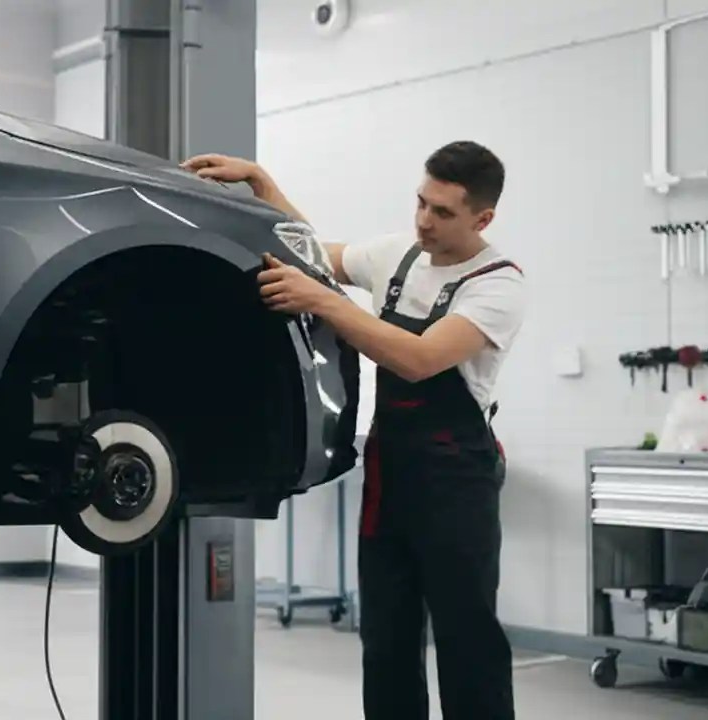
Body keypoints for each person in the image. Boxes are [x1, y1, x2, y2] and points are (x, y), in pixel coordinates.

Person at [182, 141, 525, 720]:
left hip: (456, 482)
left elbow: (417, 359)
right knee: (386, 643)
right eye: (421, 202)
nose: (423, 220)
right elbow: (313, 257)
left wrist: (326, 303)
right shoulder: (400, 254)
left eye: (442, 212)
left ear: (482, 218)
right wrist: (264, 185)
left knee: (468, 643)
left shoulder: (497, 285)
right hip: (391, 477)